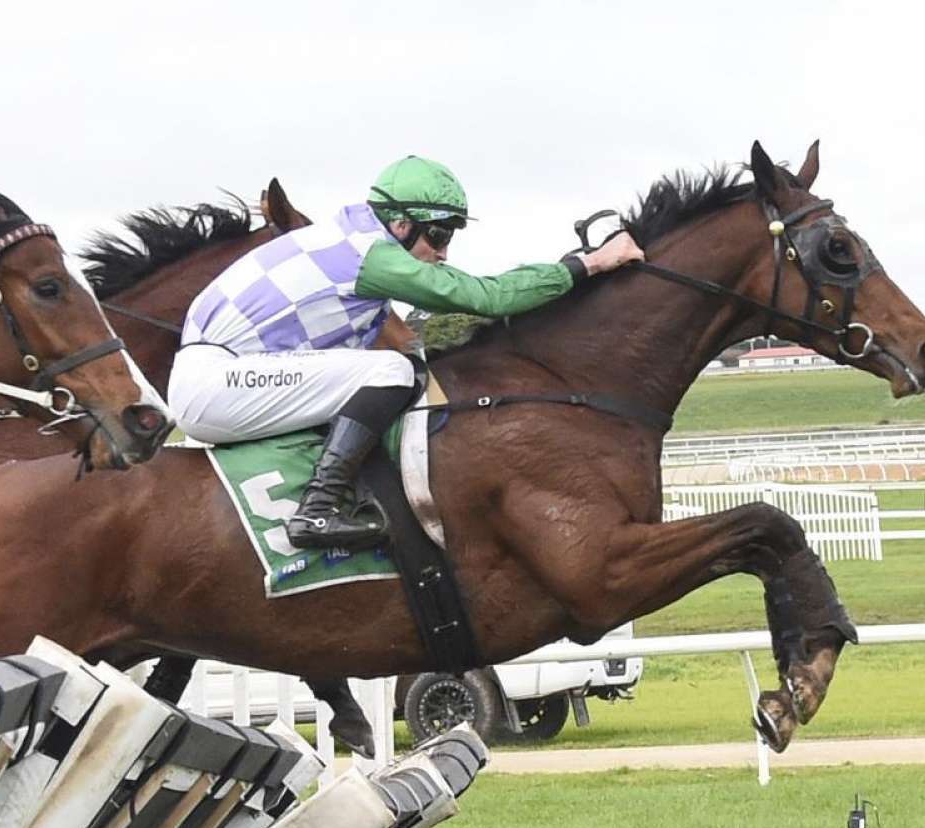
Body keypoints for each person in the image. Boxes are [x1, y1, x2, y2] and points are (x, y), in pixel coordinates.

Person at [168, 155, 644, 551]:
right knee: (390, 371)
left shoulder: (349, 248)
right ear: (399, 223)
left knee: (392, 370)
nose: (443, 252)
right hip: (218, 384)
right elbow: (486, 297)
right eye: (438, 235)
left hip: (225, 377)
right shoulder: (367, 254)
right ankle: (318, 511)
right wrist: (589, 263)